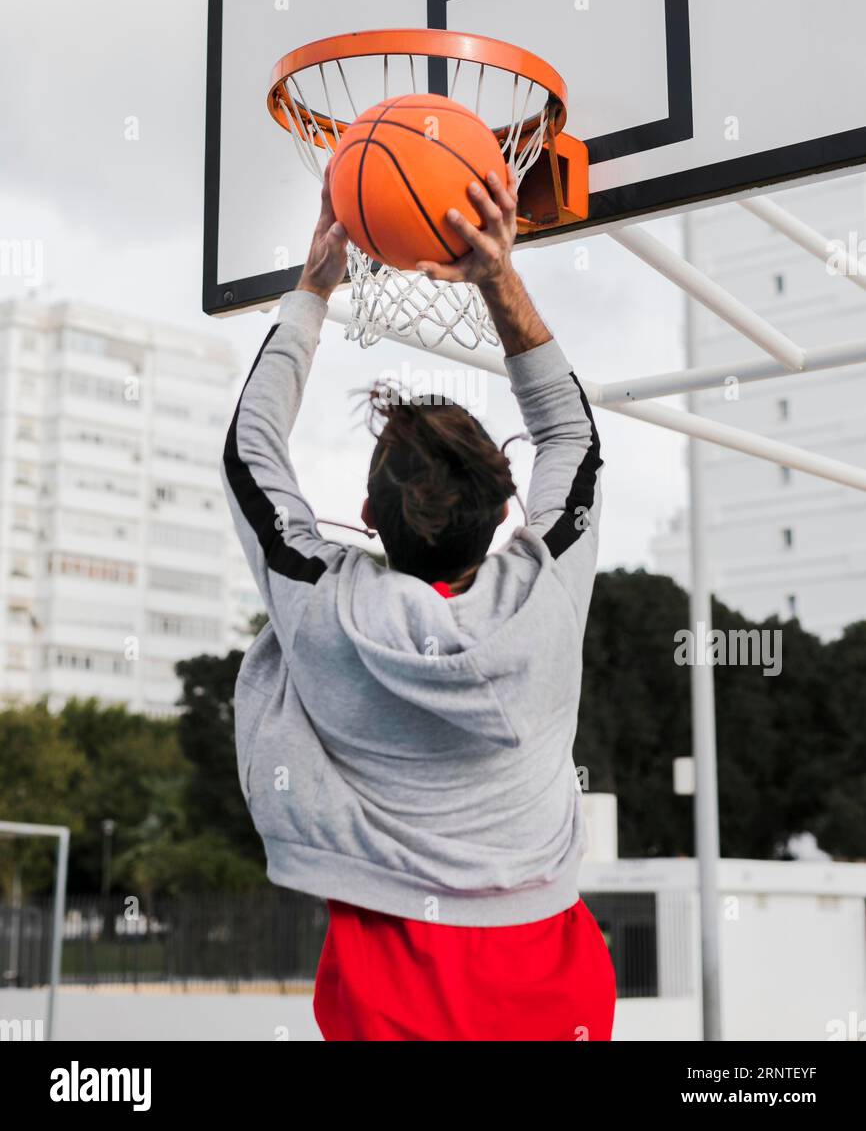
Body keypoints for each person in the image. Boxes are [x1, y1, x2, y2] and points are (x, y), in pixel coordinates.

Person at [222, 163, 615, 1041]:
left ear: (367, 517)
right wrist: (497, 275)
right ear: (506, 513)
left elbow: (251, 453)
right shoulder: (547, 596)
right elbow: (573, 435)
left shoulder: (325, 610)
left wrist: (315, 285)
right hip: (554, 986)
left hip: (391, 991)